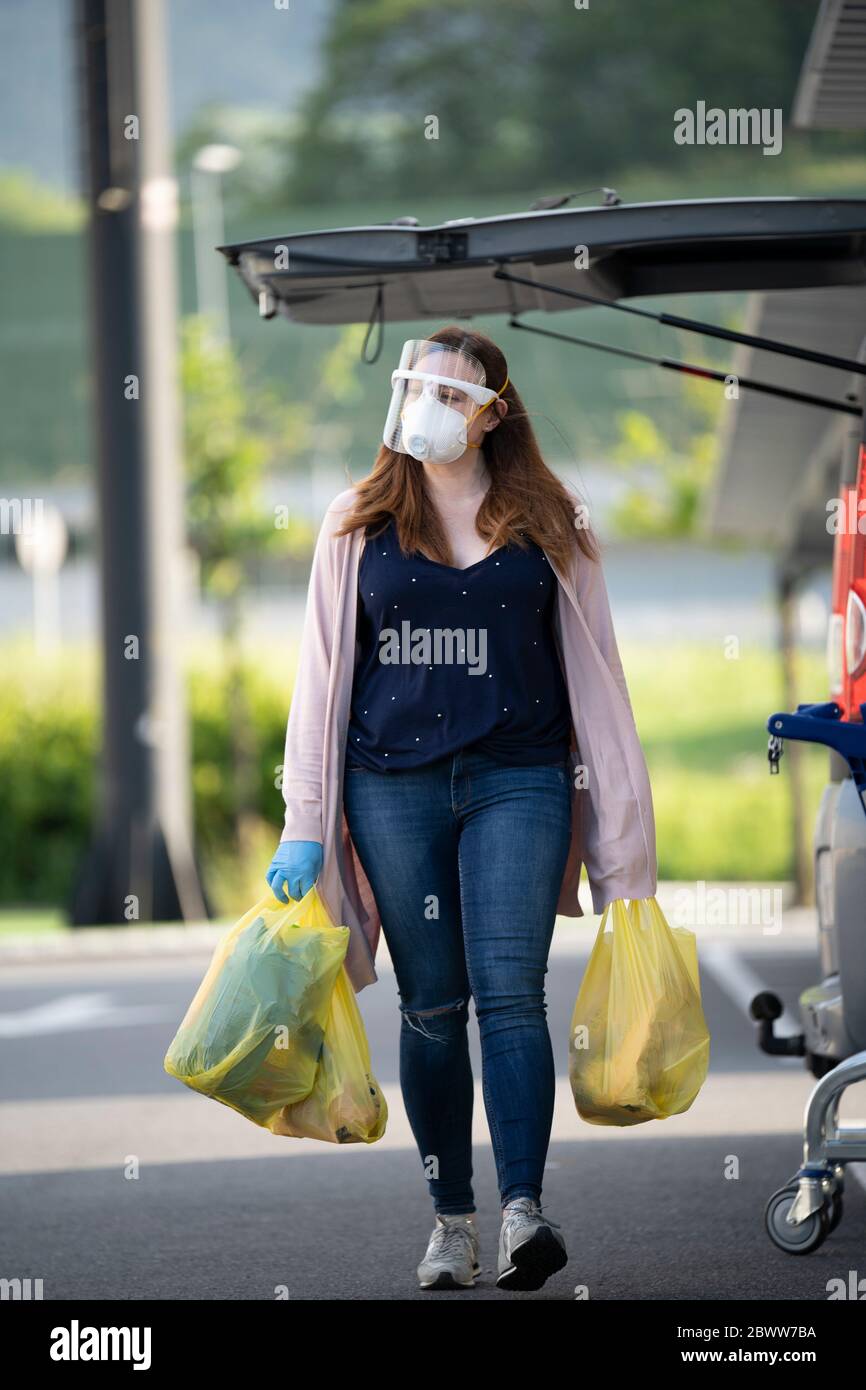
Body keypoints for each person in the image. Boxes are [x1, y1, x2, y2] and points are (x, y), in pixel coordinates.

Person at [266, 326, 657, 1292]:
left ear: (492, 411)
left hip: (520, 781)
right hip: (390, 787)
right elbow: (319, 680)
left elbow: (601, 679)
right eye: (414, 386)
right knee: (433, 1007)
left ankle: (523, 1211)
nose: (427, 404)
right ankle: (452, 1223)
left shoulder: (551, 520)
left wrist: (625, 853)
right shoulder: (355, 523)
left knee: (513, 993)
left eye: (451, 392)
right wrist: (304, 827)